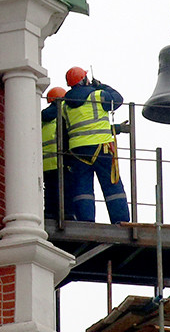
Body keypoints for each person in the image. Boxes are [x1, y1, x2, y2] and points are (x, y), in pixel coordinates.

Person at [61, 67, 130, 224]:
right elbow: (118, 98)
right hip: (102, 149)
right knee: (112, 186)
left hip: (78, 152)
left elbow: (79, 128)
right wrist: (101, 86)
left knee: (83, 189)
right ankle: (121, 220)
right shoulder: (98, 95)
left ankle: (85, 221)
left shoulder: (64, 105)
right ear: (84, 80)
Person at [41, 86, 68, 220]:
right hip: (59, 161)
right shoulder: (62, 110)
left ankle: (50, 214)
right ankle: (64, 215)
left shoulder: (43, 116)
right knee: (63, 190)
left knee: (51, 191)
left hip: (46, 163)